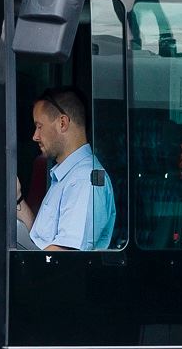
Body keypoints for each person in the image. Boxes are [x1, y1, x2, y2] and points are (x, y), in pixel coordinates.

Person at [15, 85, 115, 251]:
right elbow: (40, 242)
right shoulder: (67, 175)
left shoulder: (84, 179)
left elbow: (63, 255)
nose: (35, 136)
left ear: (62, 123)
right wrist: (17, 198)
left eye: (39, 126)